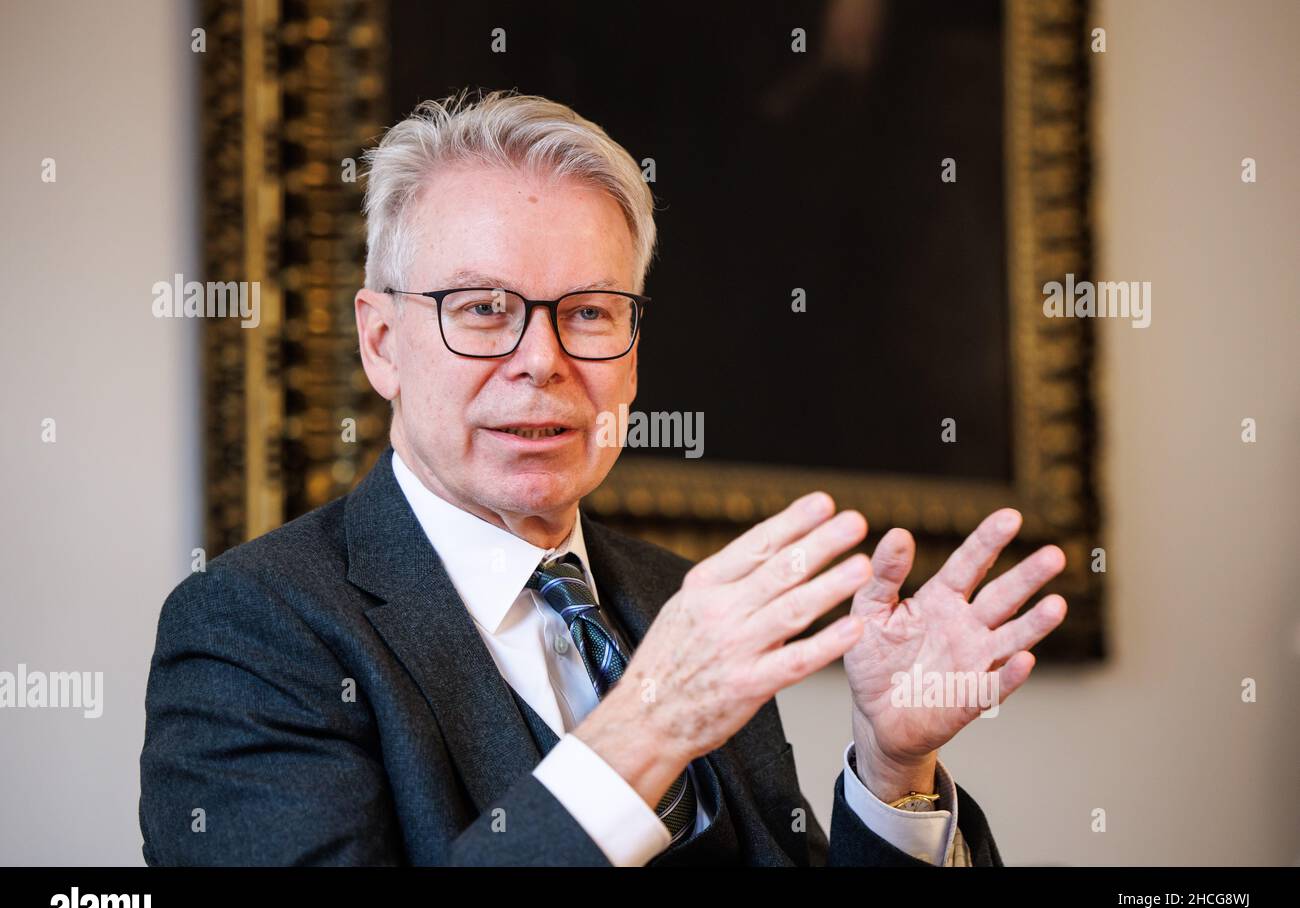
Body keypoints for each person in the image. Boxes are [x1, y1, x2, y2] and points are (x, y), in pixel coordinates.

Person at [139, 90, 1068, 866]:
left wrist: (892, 770)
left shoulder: (674, 598)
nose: (540, 360)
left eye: (587, 312)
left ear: (632, 355)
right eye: (482, 307)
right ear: (381, 342)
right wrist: (652, 719)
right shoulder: (249, 630)